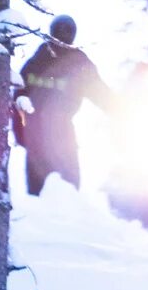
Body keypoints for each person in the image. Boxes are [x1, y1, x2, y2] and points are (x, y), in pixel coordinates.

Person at [16, 14, 115, 196]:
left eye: (68, 30)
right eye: (60, 30)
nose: (63, 34)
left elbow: (101, 93)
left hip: (62, 131)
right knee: (38, 191)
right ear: (52, 32)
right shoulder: (39, 59)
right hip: (37, 132)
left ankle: (68, 217)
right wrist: (20, 133)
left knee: (69, 188)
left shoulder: (79, 62)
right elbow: (17, 94)